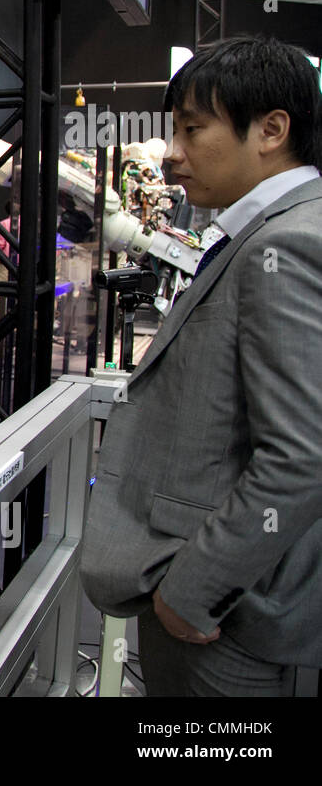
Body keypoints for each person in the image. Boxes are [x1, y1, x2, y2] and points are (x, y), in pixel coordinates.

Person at [81, 35, 322, 696]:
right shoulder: (261, 234)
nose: (172, 153)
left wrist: (192, 592)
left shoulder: (290, 244)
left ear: (271, 130)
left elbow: (302, 456)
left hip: (222, 621)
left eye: (193, 129)